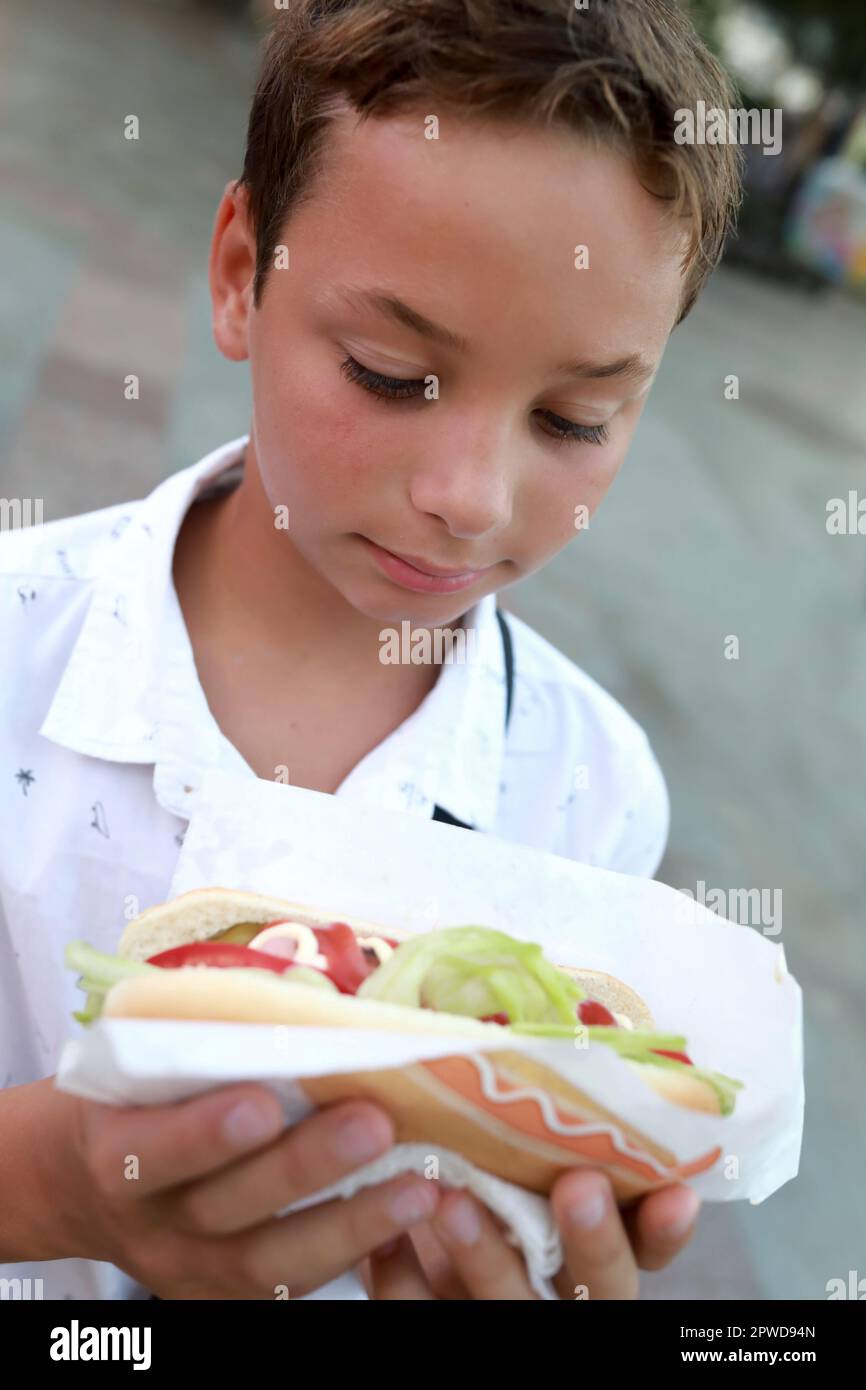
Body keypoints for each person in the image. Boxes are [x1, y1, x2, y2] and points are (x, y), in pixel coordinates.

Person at [0, 0, 741, 1300]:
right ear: (240, 273)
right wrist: (52, 1184)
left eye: (574, 418)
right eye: (392, 373)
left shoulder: (586, 788)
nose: (467, 492)